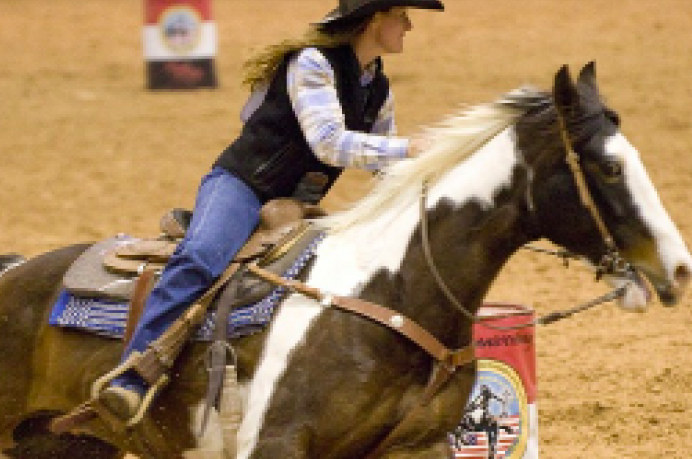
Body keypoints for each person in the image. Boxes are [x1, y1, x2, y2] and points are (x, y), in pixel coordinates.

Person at [98, 0, 445, 423]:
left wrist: (430, 185)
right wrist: (409, 147)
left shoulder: (378, 87)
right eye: (401, 15)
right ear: (375, 19)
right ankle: (132, 376)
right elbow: (330, 143)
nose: (409, 25)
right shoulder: (313, 62)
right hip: (243, 185)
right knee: (201, 256)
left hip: (295, 205)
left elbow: (381, 163)